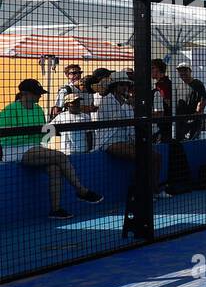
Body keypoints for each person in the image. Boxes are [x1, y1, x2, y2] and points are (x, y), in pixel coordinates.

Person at [0, 78, 101, 219]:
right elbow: (5, 137)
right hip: (14, 150)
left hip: (34, 148)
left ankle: (56, 209)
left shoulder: (39, 110)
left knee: (55, 168)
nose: (39, 96)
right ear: (24, 93)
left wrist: (38, 140)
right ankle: (81, 190)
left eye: (39, 93)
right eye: (36, 93)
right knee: (60, 156)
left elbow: (44, 133)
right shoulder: (9, 110)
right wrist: (31, 136)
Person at [96, 72, 167, 198]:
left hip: (126, 140)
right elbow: (115, 121)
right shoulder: (107, 101)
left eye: (127, 85)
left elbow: (131, 123)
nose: (125, 88)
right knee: (142, 157)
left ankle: (154, 190)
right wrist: (128, 104)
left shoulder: (126, 102)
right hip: (109, 141)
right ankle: (140, 192)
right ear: (115, 86)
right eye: (122, 85)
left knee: (157, 157)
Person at [174, 64, 206, 140]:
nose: (182, 73)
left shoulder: (197, 84)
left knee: (192, 143)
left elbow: (203, 100)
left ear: (190, 71)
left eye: (185, 70)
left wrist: (196, 114)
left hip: (194, 121)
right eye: (180, 71)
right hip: (181, 121)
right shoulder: (178, 86)